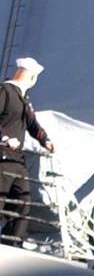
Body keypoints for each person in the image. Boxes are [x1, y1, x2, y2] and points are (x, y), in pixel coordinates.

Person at [0, 57, 54, 246]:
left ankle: (13, 243)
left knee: (22, 201)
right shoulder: (5, 91)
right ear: (32, 78)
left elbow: (31, 124)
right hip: (3, 158)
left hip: (17, 161)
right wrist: (5, 138)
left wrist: (45, 140)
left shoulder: (24, 100)